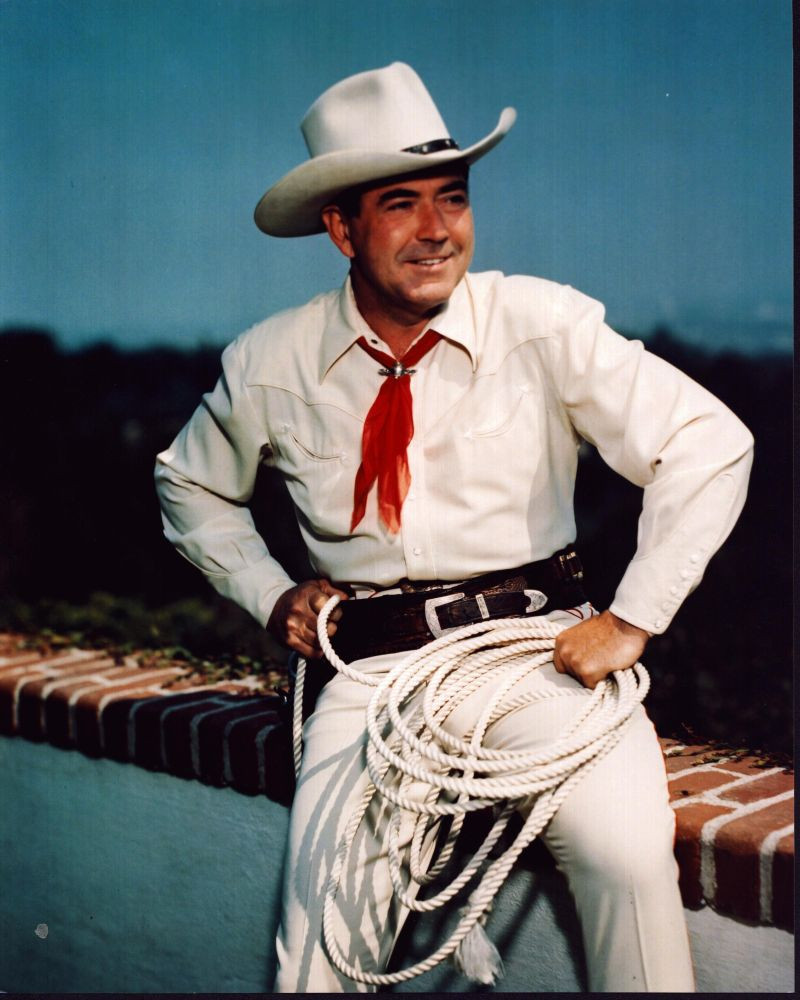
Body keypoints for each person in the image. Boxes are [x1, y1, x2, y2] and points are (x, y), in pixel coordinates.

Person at [154, 63, 753, 992]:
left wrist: (634, 618)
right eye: (401, 204)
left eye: (454, 198)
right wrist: (271, 595)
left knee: (629, 860)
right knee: (321, 946)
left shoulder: (539, 322)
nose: (438, 230)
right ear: (342, 229)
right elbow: (187, 485)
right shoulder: (270, 360)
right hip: (372, 677)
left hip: (540, 657)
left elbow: (710, 441)